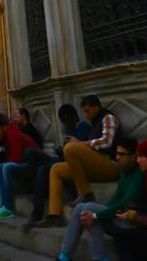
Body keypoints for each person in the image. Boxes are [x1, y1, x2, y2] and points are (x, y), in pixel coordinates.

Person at [58, 137, 147, 261]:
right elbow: (116, 198)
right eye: (116, 153)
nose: (117, 157)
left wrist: (97, 215)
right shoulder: (124, 171)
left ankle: (101, 258)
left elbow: (124, 204)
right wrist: (100, 213)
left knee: (90, 209)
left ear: (134, 156)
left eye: (122, 154)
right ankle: (64, 256)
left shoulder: (139, 175)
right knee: (81, 208)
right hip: (119, 217)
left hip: (132, 221)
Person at [38, 94, 122, 227]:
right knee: (56, 169)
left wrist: (80, 144)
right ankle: (54, 215)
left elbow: (107, 142)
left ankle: (84, 193)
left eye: (88, 111)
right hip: (95, 167)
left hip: (111, 165)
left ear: (96, 107)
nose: (86, 115)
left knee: (71, 148)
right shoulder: (94, 124)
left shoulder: (108, 118)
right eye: (84, 111)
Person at [22, 103, 91, 228]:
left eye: (67, 121)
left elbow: (85, 151)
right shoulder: (67, 130)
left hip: (69, 163)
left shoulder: (85, 128)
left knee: (43, 170)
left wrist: (74, 145)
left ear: (74, 117)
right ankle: (31, 189)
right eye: (63, 122)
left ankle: (37, 213)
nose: (65, 124)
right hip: (60, 158)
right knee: (31, 153)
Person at [0, 111, 39, 220]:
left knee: (4, 167)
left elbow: (15, 159)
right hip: (21, 164)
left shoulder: (13, 134)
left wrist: (2, 158)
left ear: (4, 127)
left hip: (32, 165)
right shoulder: (2, 137)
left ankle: (8, 208)